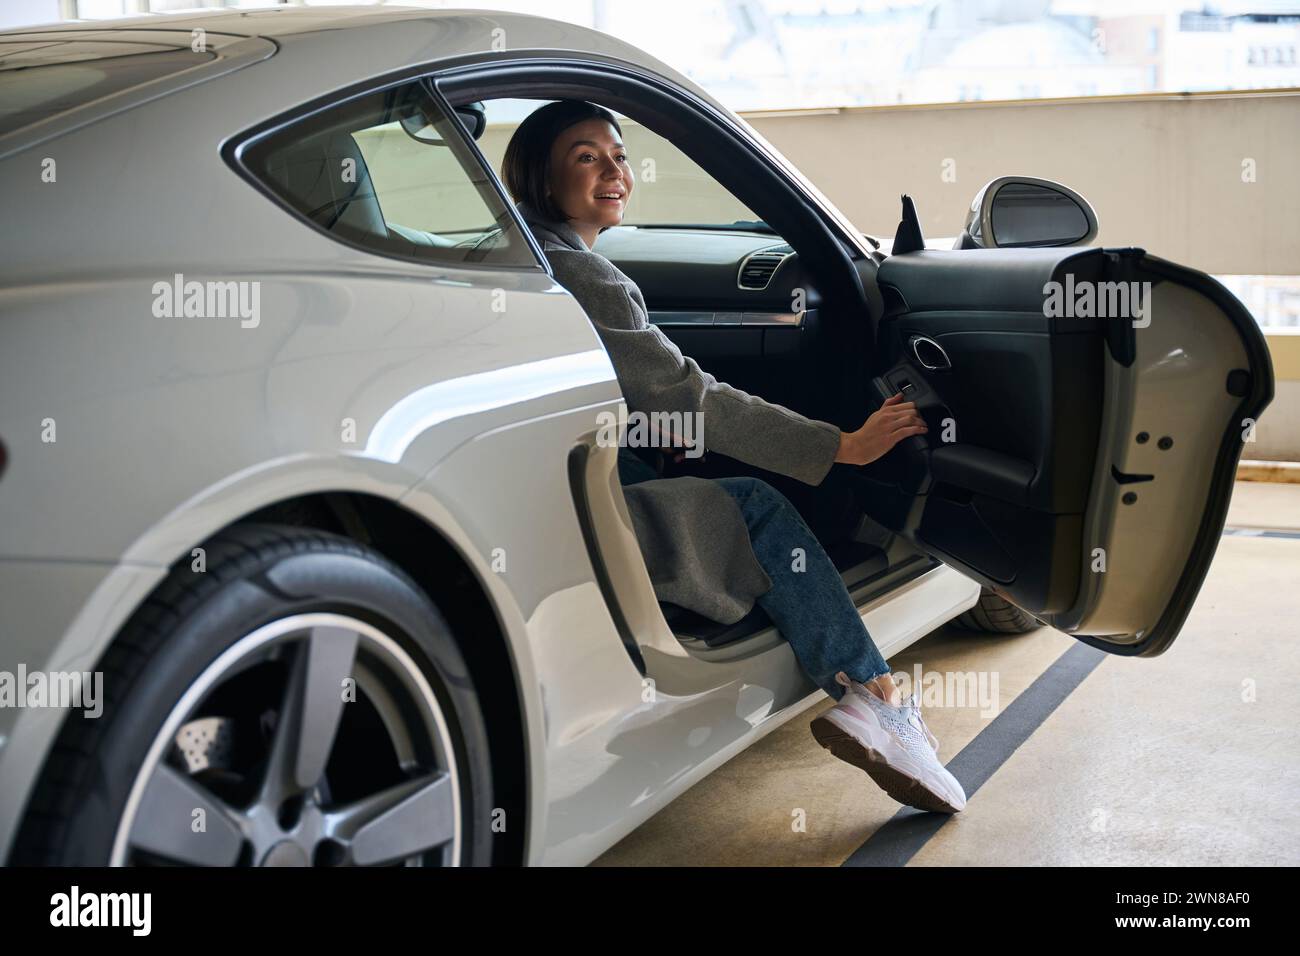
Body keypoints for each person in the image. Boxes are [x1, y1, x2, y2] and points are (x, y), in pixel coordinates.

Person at [501, 99, 966, 814]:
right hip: (556, 519)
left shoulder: (524, 258)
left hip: (524, 490)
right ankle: (873, 696)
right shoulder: (581, 275)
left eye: (619, 154)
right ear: (539, 176)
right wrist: (842, 445)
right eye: (586, 157)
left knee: (662, 467)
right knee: (755, 505)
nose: (614, 171)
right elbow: (688, 399)